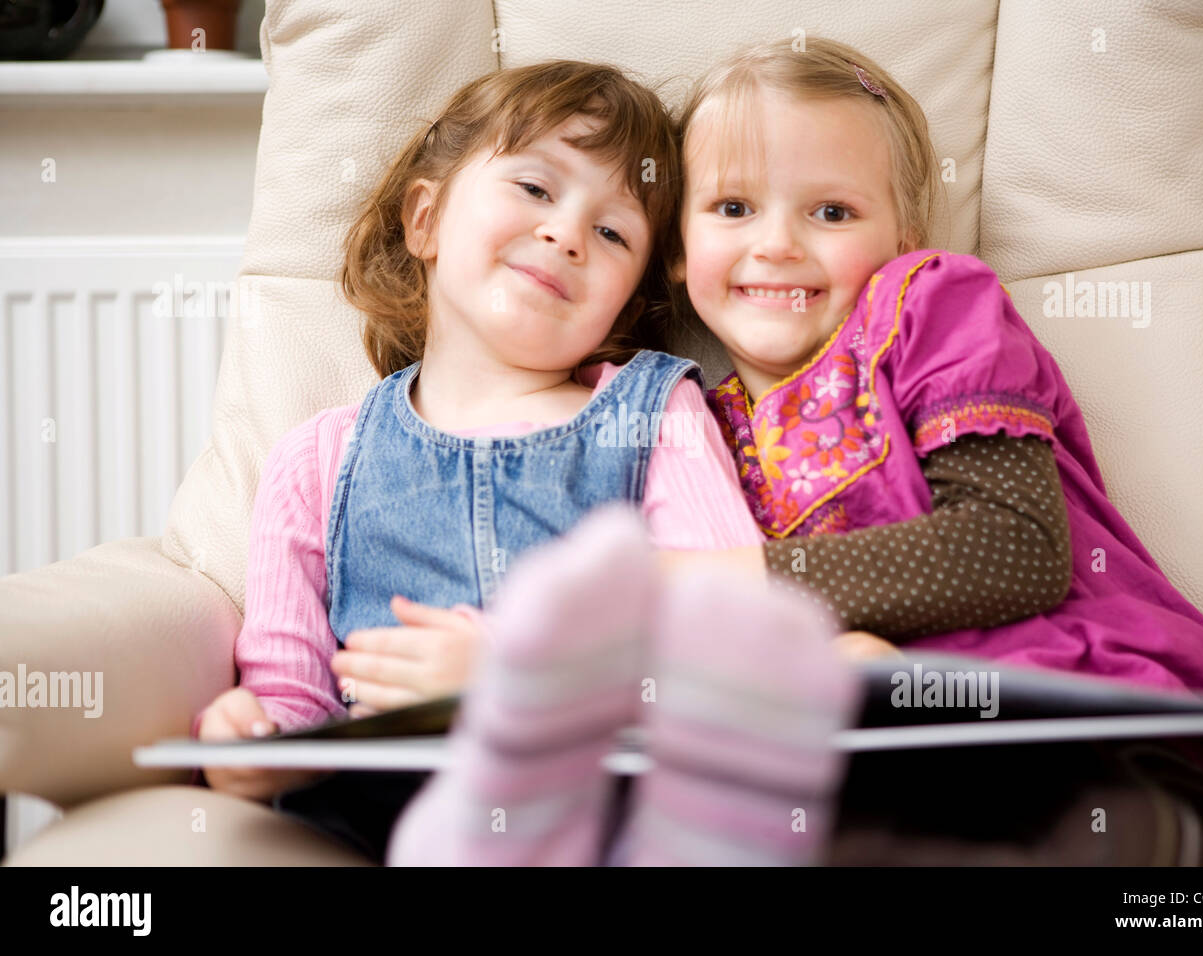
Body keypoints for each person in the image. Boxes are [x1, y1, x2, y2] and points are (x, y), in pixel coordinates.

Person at [666, 36, 1203, 863]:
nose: (778, 243)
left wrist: (734, 583)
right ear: (676, 249)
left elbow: (1015, 551)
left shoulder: (929, 304)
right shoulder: (692, 429)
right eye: (734, 208)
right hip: (885, 750)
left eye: (832, 212)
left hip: (1071, 704)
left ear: (903, 238)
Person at [191, 60, 773, 864]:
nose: (567, 232)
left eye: (611, 233)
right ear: (424, 219)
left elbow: (727, 626)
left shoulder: (656, 414)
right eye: (536, 188)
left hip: (583, 793)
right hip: (378, 809)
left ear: (624, 304)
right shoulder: (316, 459)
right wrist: (250, 744)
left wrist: (522, 673)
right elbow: (293, 702)